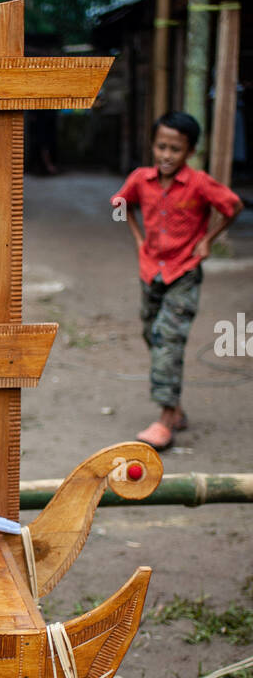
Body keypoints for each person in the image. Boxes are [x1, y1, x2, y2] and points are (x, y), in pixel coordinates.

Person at [112, 111, 241, 451]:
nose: (167, 155)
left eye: (176, 149)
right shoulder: (141, 179)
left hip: (183, 271)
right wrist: (137, 238)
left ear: (190, 152)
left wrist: (209, 239)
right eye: (161, 147)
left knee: (169, 338)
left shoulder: (199, 183)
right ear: (153, 146)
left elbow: (233, 206)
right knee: (151, 333)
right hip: (150, 270)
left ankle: (165, 419)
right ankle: (177, 409)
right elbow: (120, 203)